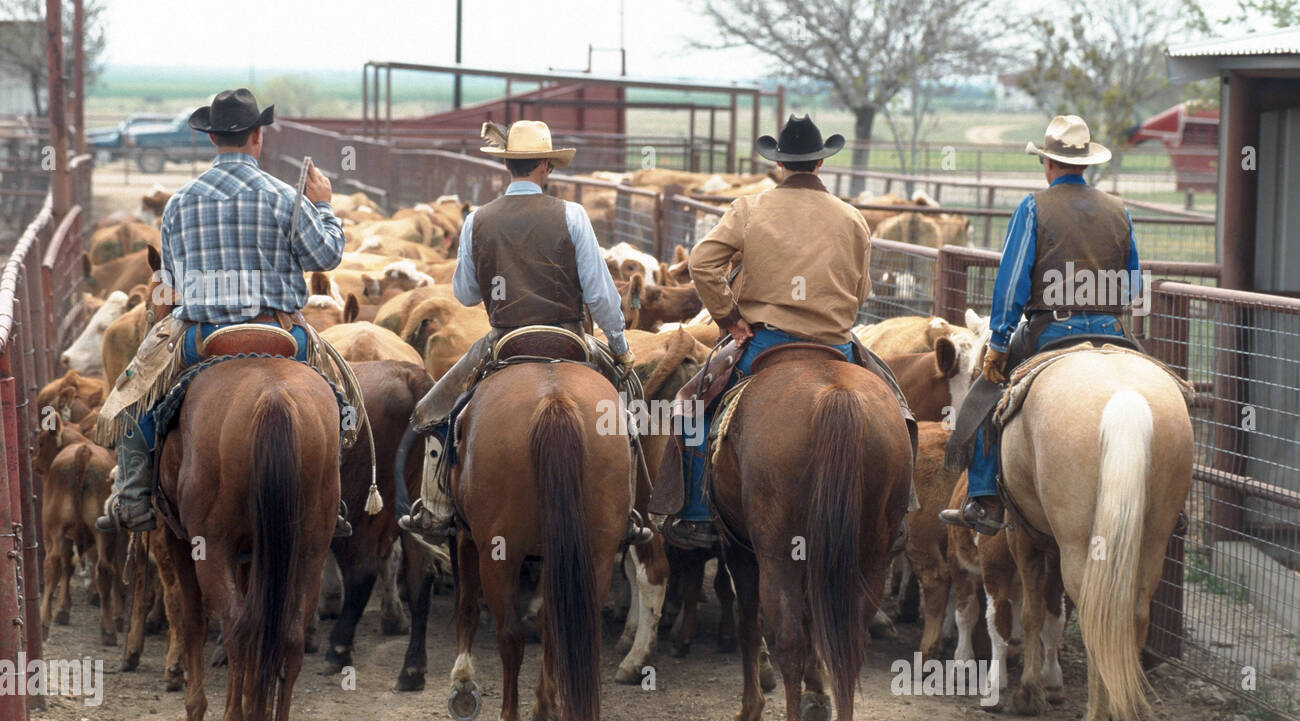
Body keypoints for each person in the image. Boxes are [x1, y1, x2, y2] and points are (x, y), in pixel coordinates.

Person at [95, 88, 347, 534]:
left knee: (136, 397)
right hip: (283, 332)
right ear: (258, 136)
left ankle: (132, 495)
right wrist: (323, 204)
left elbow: (169, 281)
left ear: (212, 139)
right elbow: (325, 257)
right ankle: (333, 498)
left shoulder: (180, 201)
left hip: (201, 338)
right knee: (341, 399)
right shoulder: (286, 198)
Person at [661, 114, 914, 551]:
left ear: (780, 164)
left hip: (765, 342)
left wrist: (728, 318)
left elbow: (702, 264)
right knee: (898, 409)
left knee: (692, 404)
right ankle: (897, 512)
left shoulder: (749, 208)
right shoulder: (852, 217)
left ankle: (698, 516)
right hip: (836, 344)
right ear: (820, 164)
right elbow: (862, 290)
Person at [400, 120, 642, 543]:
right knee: (632, 410)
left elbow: (464, 292)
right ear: (546, 165)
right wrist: (619, 346)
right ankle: (628, 511)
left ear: (507, 166)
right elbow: (600, 294)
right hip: (570, 338)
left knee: (435, 410)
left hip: (504, 340)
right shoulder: (573, 215)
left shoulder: (479, 220)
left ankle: (436, 507)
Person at [940, 115, 1139, 535]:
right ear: (1084, 164)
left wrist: (997, 342)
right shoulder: (1119, 209)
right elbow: (1134, 283)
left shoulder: (1034, 207)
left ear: (1048, 163)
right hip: (1111, 329)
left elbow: (1012, 281)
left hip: (1051, 331)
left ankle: (985, 500)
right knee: (1161, 388)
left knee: (983, 398)